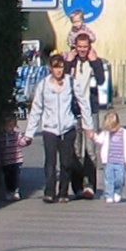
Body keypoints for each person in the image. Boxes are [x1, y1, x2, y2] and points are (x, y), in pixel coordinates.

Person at [24, 54, 88, 202]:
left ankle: (63, 193)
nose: (58, 70)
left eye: (60, 67)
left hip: (67, 128)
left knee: (66, 162)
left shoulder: (71, 83)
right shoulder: (44, 85)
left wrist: (88, 126)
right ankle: (49, 192)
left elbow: (83, 103)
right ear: (50, 68)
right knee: (50, 161)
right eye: (55, 67)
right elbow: (36, 109)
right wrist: (29, 134)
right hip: (50, 129)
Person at [95, 109, 126, 203]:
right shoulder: (106, 133)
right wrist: (94, 136)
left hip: (120, 161)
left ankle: (117, 192)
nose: (110, 130)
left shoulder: (125, 133)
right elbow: (99, 140)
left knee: (120, 179)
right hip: (109, 161)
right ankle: (109, 195)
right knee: (108, 179)